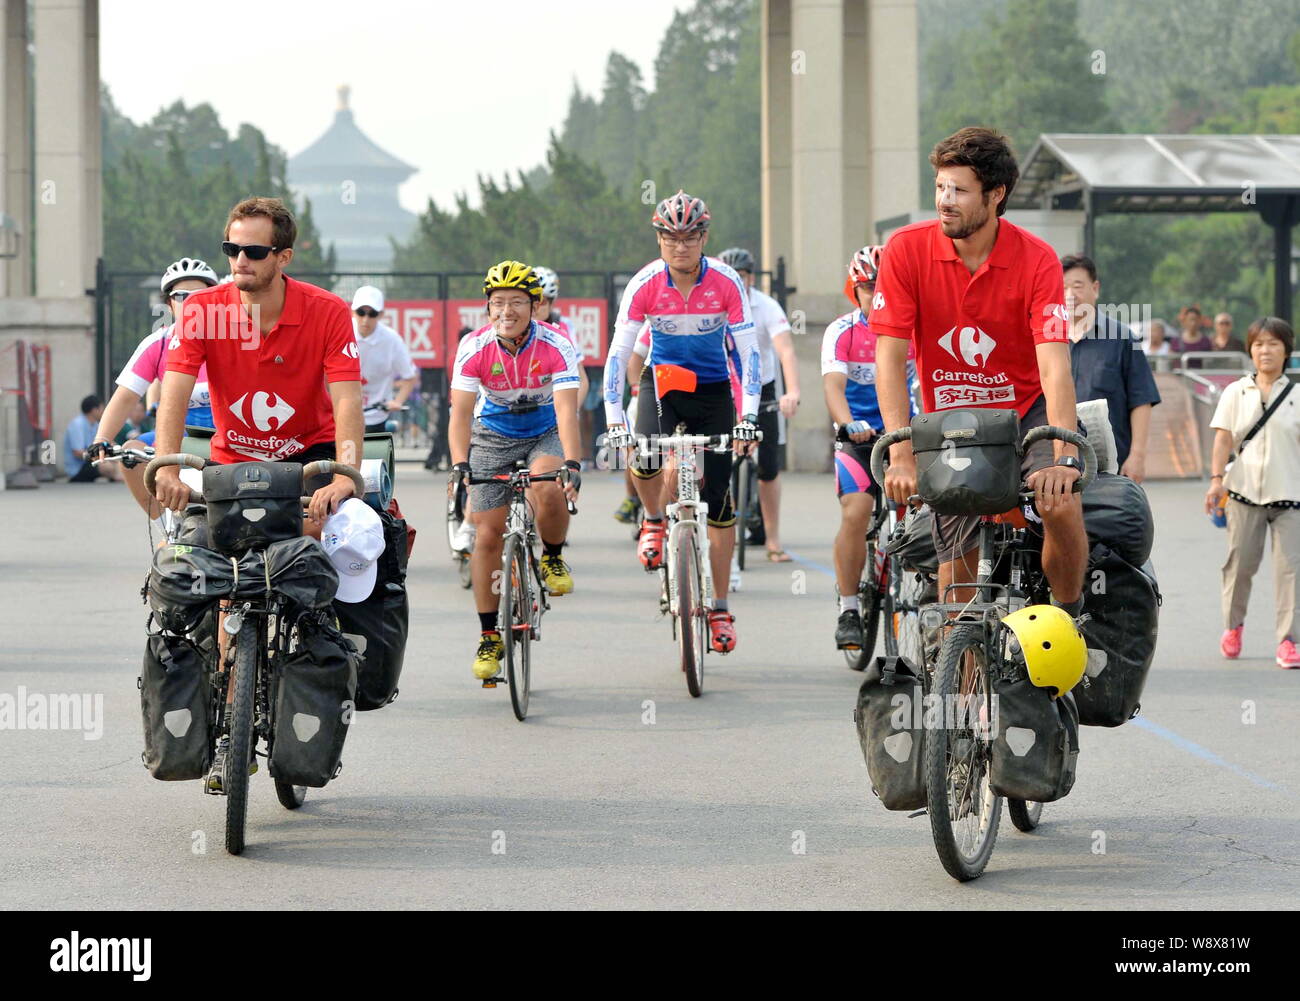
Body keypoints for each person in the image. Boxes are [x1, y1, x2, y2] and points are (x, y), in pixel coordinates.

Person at [872, 127, 1088, 620]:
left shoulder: (1036, 259)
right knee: (959, 585)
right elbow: (889, 357)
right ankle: (959, 681)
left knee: (1061, 503)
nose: (945, 201)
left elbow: (1054, 366)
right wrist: (901, 455)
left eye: (960, 191)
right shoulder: (906, 250)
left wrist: (1065, 455)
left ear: (996, 195)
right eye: (940, 188)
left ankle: (1069, 613)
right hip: (950, 422)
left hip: (1024, 415)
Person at [602, 190, 761, 654]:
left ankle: (720, 607)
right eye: (671, 238)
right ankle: (653, 519)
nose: (680, 246)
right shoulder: (645, 284)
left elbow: (750, 354)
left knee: (720, 504)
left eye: (690, 237)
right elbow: (617, 356)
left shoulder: (728, 283)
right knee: (645, 453)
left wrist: (748, 415)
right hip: (664, 383)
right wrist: (615, 421)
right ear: (659, 240)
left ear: (703, 237)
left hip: (713, 390)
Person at [152, 196, 364, 532]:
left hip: (310, 456)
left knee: (353, 532)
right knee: (193, 548)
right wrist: (166, 468)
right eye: (231, 249)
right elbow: (174, 394)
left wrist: (343, 476)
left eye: (254, 251)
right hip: (231, 461)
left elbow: (348, 398)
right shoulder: (200, 309)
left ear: (284, 257)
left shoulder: (329, 310)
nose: (240, 260)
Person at [448, 261, 583, 681]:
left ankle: (554, 557)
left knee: (547, 487)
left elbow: (566, 410)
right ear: (487, 308)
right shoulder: (473, 347)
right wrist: (459, 464)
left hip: (545, 430)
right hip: (493, 435)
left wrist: (573, 464)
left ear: (535, 305)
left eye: (517, 303)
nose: (507, 311)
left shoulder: (557, 344)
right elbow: (461, 415)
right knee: (487, 533)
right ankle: (489, 635)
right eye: (498, 302)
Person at [821, 245, 917, 649]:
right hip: (859, 440)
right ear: (853, 290)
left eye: (884, 286)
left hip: (906, 438)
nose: (876, 295)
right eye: (867, 287)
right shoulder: (842, 331)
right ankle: (848, 608)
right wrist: (846, 423)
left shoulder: (915, 329)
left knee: (930, 511)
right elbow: (833, 386)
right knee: (857, 510)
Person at [88, 256, 221, 520]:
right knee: (130, 451)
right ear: (169, 304)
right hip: (175, 439)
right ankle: (166, 524)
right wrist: (101, 439)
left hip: (227, 439)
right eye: (182, 296)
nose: (192, 303)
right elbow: (125, 397)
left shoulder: (235, 341)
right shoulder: (157, 344)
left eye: (201, 295)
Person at [1205, 317, 1300, 669]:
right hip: (1243, 494)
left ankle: (1288, 640)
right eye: (1259, 344)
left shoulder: (1297, 395)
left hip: (1290, 495)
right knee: (1239, 566)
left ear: (1286, 350)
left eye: (1273, 343)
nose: (1265, 350)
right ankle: (1233, 627)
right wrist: (1216, 480)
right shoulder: (1235, 392)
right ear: (1250, 350)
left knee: (1291, 569)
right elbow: (1223, 439)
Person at [716, 247, 800, 561]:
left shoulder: (765, 306)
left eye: (744, 275)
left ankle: (773, 541)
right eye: (733, 274)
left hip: (761, 389)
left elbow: (786, 351)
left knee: (768, 468)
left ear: (751, 277)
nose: (739, 280)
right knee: (718, 460)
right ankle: (721, 532)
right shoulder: (713, 303)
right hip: (723, 389)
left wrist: (791, 392)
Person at [1062, 254, 1161, 481]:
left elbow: (1141, 400)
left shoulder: (1124, 338)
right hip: (1057, 463)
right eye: (1063, 287)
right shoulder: (1045, 341)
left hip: (1111, 466)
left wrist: (1137, 456)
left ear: (1095, 288)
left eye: (1077, 286)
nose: (1069, 295)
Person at [351, 285, 419, 435]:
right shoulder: (341, 332)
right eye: (361, 312)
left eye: (372, 314)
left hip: (376, 417)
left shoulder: (392, 340)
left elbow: (410, 377)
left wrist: (398, 402)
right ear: (352, 311)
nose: (365, 320)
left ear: (381, 315)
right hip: (342, 415)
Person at [531, 266, 590, 402]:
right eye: (532, 300)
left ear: (552, 304)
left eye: (542, 302)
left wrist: (570, 414)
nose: (536, 308)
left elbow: (582, 381)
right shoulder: (512, 326)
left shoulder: (563, 326)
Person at [64, 396, 120, 483]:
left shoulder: (95, 425)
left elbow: (107, 441)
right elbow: (77, 452)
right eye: (102, 408)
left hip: (90, 461)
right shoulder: (77, 425)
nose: (103, 411)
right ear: (94, 410)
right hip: (78, 469)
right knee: (106, 465)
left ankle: (119, 477)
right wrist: (102, 456)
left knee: (117, 460)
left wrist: (118, 450)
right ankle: (118, 477)